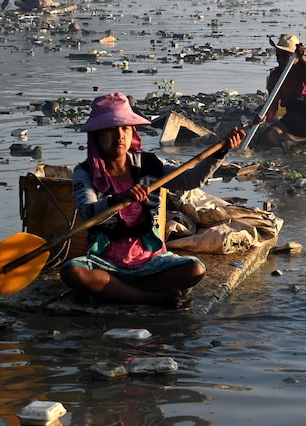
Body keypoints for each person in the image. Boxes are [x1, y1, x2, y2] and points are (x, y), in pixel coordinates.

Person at [61, 92, 246, 308]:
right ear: (96, 136)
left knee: (195, 269)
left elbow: (189, 179)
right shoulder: (85, 172)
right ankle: (149, 297)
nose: (119, 136)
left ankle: (118, 292)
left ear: (132, 132)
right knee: (72, 272)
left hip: (150, 261)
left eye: (125, 128)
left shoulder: (147, 163)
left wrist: (220, 153)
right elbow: (87, 211)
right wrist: (119, 198)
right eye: (110, 130)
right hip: (106, 263)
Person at [254, 33, 306, 148]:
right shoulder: (276, 75)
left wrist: (302, 58)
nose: (280, 60)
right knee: (269, 136)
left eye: (285, 56)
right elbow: (273, 104)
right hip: (294, 115)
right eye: (278, 55)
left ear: (294, 56)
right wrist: (264, 116)